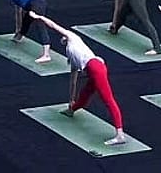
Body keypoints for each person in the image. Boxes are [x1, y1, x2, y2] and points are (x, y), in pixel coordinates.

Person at [27, 10, 127, 146]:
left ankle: (120, 134)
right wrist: (71, 99)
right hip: (93, 69)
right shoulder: (70, 54)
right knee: (84, 94)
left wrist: (39, 17)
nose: (62, 38)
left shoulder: (73, 37)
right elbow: (73, 80)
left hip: (96, 67)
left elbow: (53, 26)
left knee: (108, 100)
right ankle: (71, 110)